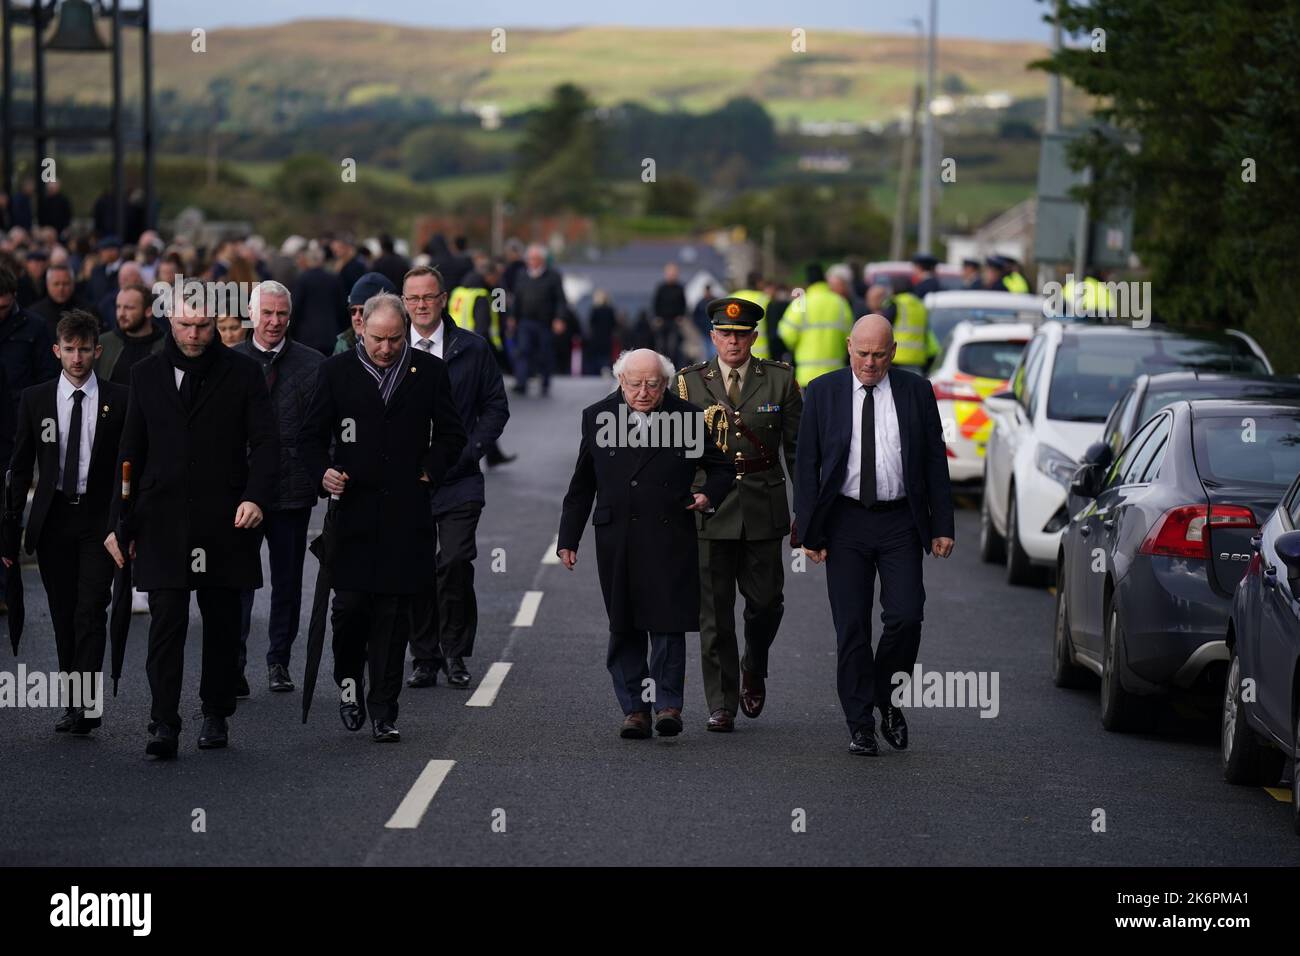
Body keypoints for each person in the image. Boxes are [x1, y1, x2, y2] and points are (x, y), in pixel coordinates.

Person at [104, 299, 279, 759]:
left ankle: (216, 713)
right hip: (161, 517)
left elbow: (264, 442)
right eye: (186, 325)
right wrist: (117, 522)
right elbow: (129, 453)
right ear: (170, 322)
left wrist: (256, 497)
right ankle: (163, 723)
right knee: (166, 623)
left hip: (226, 517)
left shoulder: (243, 374)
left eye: (204, 325)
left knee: (222, 621)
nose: (196, 334)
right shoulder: (145, 375)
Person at [298, 292, 466, 742]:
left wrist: (432, 467)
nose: (386, 348)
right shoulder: (336, 372)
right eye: (378, 339)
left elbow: (452, 433)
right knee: (350, 612)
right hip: (352, 514)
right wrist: (324, 473)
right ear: (361, 329)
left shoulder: (428, 371)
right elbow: (311, 437)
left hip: (406, 514)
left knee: (393, 618)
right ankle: (349, 684)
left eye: (395, 339)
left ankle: (384, 709)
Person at [794, 314, 955, 757]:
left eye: (879, 354)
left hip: (900, 520)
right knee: (851, 627)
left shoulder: (916, 391)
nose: (870, 362)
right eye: (862, 353)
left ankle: (888, 696)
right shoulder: (824, 392)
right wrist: (808, 529)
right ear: (849, 347)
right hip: (844, 522)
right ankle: (860, 724)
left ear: (894, 352)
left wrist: (942, 524)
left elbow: (934, 460)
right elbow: (806, 465)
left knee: (907, 616)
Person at [557, 349, 733, 739]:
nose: (642, 391)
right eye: (634, 383)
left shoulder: (686, 417)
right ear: (620, 381)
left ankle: (668, 705)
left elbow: (722, 468)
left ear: (665, 383)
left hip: (670, 534)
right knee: (624, 623)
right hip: (617, 535)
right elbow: (582, 484)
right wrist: (568, 538)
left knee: (668, 622)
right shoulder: (598, 416)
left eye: (652, 384)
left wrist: (707, 496)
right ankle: (634, 709)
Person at [674, 297, 801, 733]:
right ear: (712, 336)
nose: (733, 341)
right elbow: (675, 455)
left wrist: (807, 508)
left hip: (764, 504)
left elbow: (797, 453)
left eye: (741, 334)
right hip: (709, 506)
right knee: (714, 611)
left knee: (766, 603)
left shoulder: (780, 381)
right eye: (725, 334)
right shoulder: (688, 385)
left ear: (753, 337)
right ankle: (722, 702)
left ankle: (754, 663)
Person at [4, 310, 128, 735]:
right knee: (62, 612)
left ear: (98, 350)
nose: (77, 358)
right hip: (54, 517)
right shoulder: (36, 399)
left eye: (85, 349)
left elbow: (125, 466)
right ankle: (73, 702)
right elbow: (20, 466)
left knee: (91, 608)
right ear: (57, 351)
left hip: (98, 520)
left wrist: (123, 519)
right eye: (69, 350)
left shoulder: (120, 399)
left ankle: (86, 703)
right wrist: (9, 525)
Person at [402, 267, 510, 691]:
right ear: (404, 302)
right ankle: (424, 656)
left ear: (443, 299)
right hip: (407, 478)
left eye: (429, 297)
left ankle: (455, 652)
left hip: (460, 477)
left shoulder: (473, 348)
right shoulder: (390, 348)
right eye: (413, 299)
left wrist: (467, 453)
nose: (421, 305)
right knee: (416, 566)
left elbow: (495, 407)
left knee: (455, 561)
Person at [233, 281, 324, 696]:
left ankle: (279, 662)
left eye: (281, 314)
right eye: (267, 313)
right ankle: (233, 665)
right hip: (241, 491)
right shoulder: (229, 363)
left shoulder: (313, 364)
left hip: (292, 490)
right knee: (237, 581)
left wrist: (325, 472)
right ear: (251, 314)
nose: (274, 321)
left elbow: (325, 428)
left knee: (287, 582)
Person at [0, 262, 59, 612]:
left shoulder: (34, 328)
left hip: (16, 429)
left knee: (7, 508)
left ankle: (6, 589)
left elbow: (45, 380)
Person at [777, 263, 853, 387]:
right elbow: (850, 336)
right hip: (836, 373)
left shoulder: (801, 303)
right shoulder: (840, 303)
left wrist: (795, 347)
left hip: (807, 374)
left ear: (807, 283)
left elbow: (786, 334)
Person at [509, 243, 566, 397]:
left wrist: (559, 318)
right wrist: (512, 316)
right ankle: (521, 382)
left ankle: (545, 381)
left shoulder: (553, 276)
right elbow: (517, 297)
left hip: (545, 322)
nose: (531, 261)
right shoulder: (521, 274)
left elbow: (561, 299)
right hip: (525, 321)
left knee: (544, 352)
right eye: (529, 258)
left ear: (542, 260)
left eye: (535, 258)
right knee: (522, 350)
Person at [98, 282, 165, 384]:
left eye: (129, 308)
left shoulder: (166, 346)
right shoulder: (103, 343)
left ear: (148, 311)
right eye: (118, 307)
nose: (121, 314)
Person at [290, 246, 347, 355]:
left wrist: (291, 333)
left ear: (307, 260)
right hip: (331, 335)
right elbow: (342, 309)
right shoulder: (334, 279)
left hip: (306, 338)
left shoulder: (302, 280)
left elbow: (295, 308)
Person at [336, 271, 396, 355]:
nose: (356, 317)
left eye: (363, 311)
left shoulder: (402, 342)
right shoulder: (343, 343)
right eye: (353, 311)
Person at [29, 262, 85, 338]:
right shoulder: (34, 314)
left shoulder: (86, 312)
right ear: (48, 285)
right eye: (56, 284)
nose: (61, 288)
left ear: (73, 284)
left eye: (66, 284)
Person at [650, 263, 687, 365]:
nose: (672, 275)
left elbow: (683, 304)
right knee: (661, 345)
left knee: (674, 346)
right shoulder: (661, 288)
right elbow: (656, 303)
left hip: (675, 321)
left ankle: (674, 366)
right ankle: (661, 365)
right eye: (670, 273)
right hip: (662, 320)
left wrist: (681, 316)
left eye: (674, 273)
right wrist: (657, 317)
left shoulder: (680, 288)